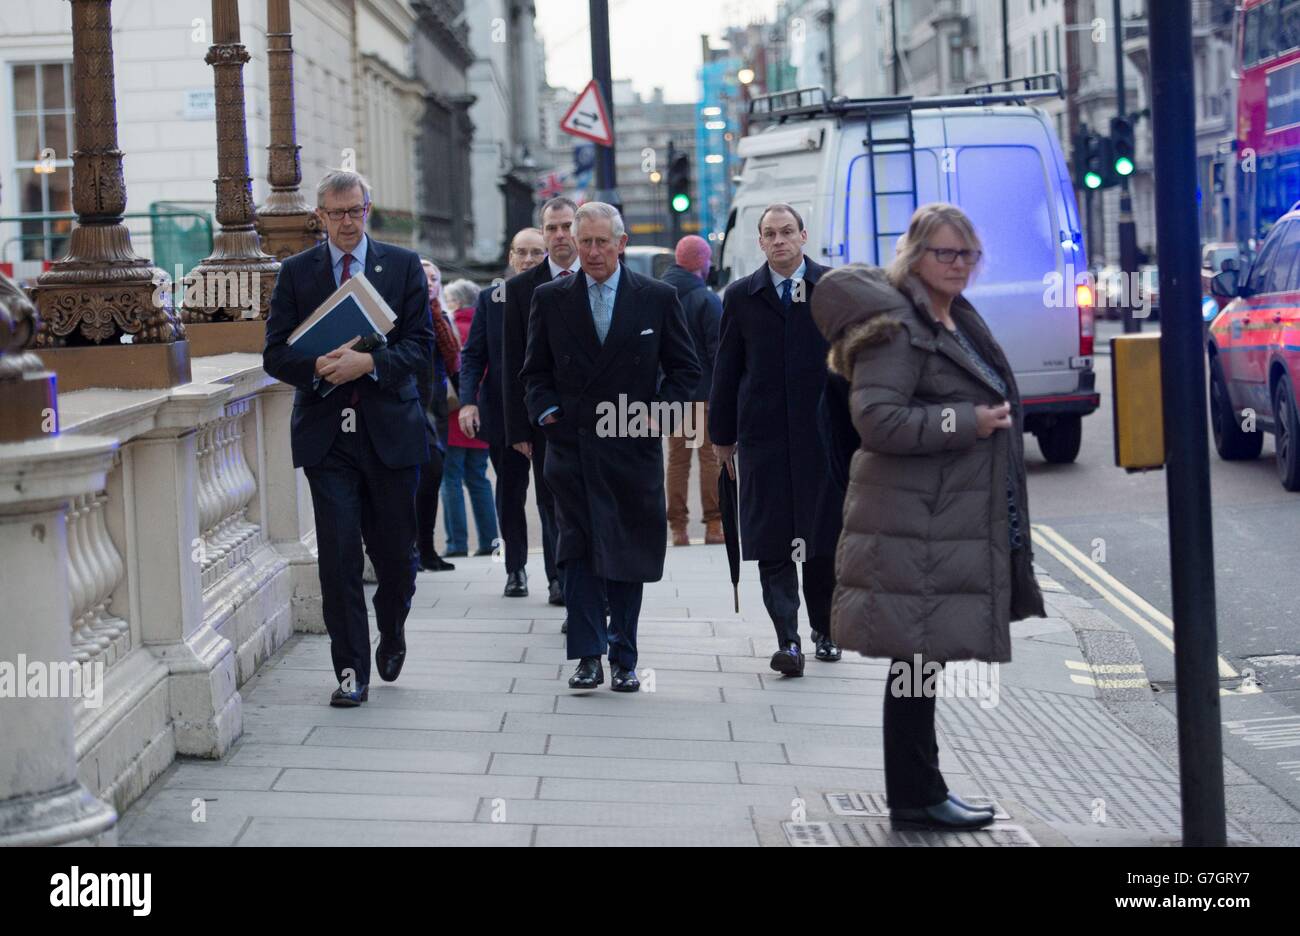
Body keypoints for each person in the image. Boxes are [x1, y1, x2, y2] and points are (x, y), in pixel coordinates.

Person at [810, 202, 1046, 830]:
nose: (959, 264)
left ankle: (922, 791)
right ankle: (917, 797)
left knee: (922, 658)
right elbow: (877, 420)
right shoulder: (897, 328)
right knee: (915, 660)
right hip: (914, 518)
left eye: (968, 254)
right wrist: (966, 421)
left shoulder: (952, 316)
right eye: (946, 253)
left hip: (939, 516)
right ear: (915, 256)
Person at [263, 169, 434, 707]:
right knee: (338, 559)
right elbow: (274, 355)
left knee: (396, 558)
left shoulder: (402, 265)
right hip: (327, 437)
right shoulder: (296, 273)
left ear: (368, 209)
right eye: (336, 213)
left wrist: (370, 364)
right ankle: (350, 673)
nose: (346, 222)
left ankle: (393, 627)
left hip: (390, 434)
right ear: (320, 217)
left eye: (354, 211)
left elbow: (421, 348)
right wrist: (317, 365)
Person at [520, 202, 700, 692]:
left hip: (631, 450)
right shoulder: (550, 298)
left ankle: (624, 657)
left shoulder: (657, 297)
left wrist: (657, 416)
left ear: (622, 244)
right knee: (577, 552)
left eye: (603, 242)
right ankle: (587, 657)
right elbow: (534, 372)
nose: (594, 252)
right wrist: (547, 413)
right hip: (572, 448)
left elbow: (686, 371)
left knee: (626, 552)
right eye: (586, 242)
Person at [709, 203, 841, 677]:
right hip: (763, 440)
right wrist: (722, 436)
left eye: (788, 231)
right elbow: (726, 369)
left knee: (822, 541)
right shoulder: (742, 296)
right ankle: (788, 640)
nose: (780, 240)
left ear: (803, 236)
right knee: (772, 541)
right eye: (771, 234)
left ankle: (825, 629)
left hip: (822, 440)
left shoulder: (832, 289)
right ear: (760, 242)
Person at [459, 227, 547, 596]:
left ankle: (559, 576)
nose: (528, 259)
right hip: (503, 413)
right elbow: (473, 355)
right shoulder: (491, 299)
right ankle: (515, 570)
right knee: (510, 495)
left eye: (536, 252)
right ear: (510, 257)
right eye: (521, 252)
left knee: (553, 497)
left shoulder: (559, 293)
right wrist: (467, 401)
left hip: (547, 414)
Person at [502, 197, 579, 610]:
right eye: (552, 228)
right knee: (551, 502)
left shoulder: (600, 274)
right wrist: (518, 428)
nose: (560, 235)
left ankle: (592, 580)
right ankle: (559, 579)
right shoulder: (519, 289)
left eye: (567, 226)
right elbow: (514, 362)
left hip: (597, 416)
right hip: (545, 417)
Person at [661, 235, 723, 547]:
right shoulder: (706, 300)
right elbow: (718, 352)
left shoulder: (659, 295)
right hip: (704, 393)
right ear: (700, 262)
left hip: (673, 396)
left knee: (677, 461)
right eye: (708, 259)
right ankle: (714, 525)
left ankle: (678, 529)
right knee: (710, 458)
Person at [441, 278, 498, 557]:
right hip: (482, 413)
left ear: (457, 302)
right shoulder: (487, 324)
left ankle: (457, 544)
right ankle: (489, 541)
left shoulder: (449, 328)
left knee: (450, 479)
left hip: (454, 415)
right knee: (479, 478)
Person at [414, 258, 461, 572]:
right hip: (415, 406)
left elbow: (456, 364)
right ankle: (413, 549)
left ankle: (427, 549)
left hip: (438, 406)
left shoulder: (443, 318)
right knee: (424, 475)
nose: (429, 283)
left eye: (434, 279)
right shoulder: (409, 316)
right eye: (423, 277)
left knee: (433, 479)